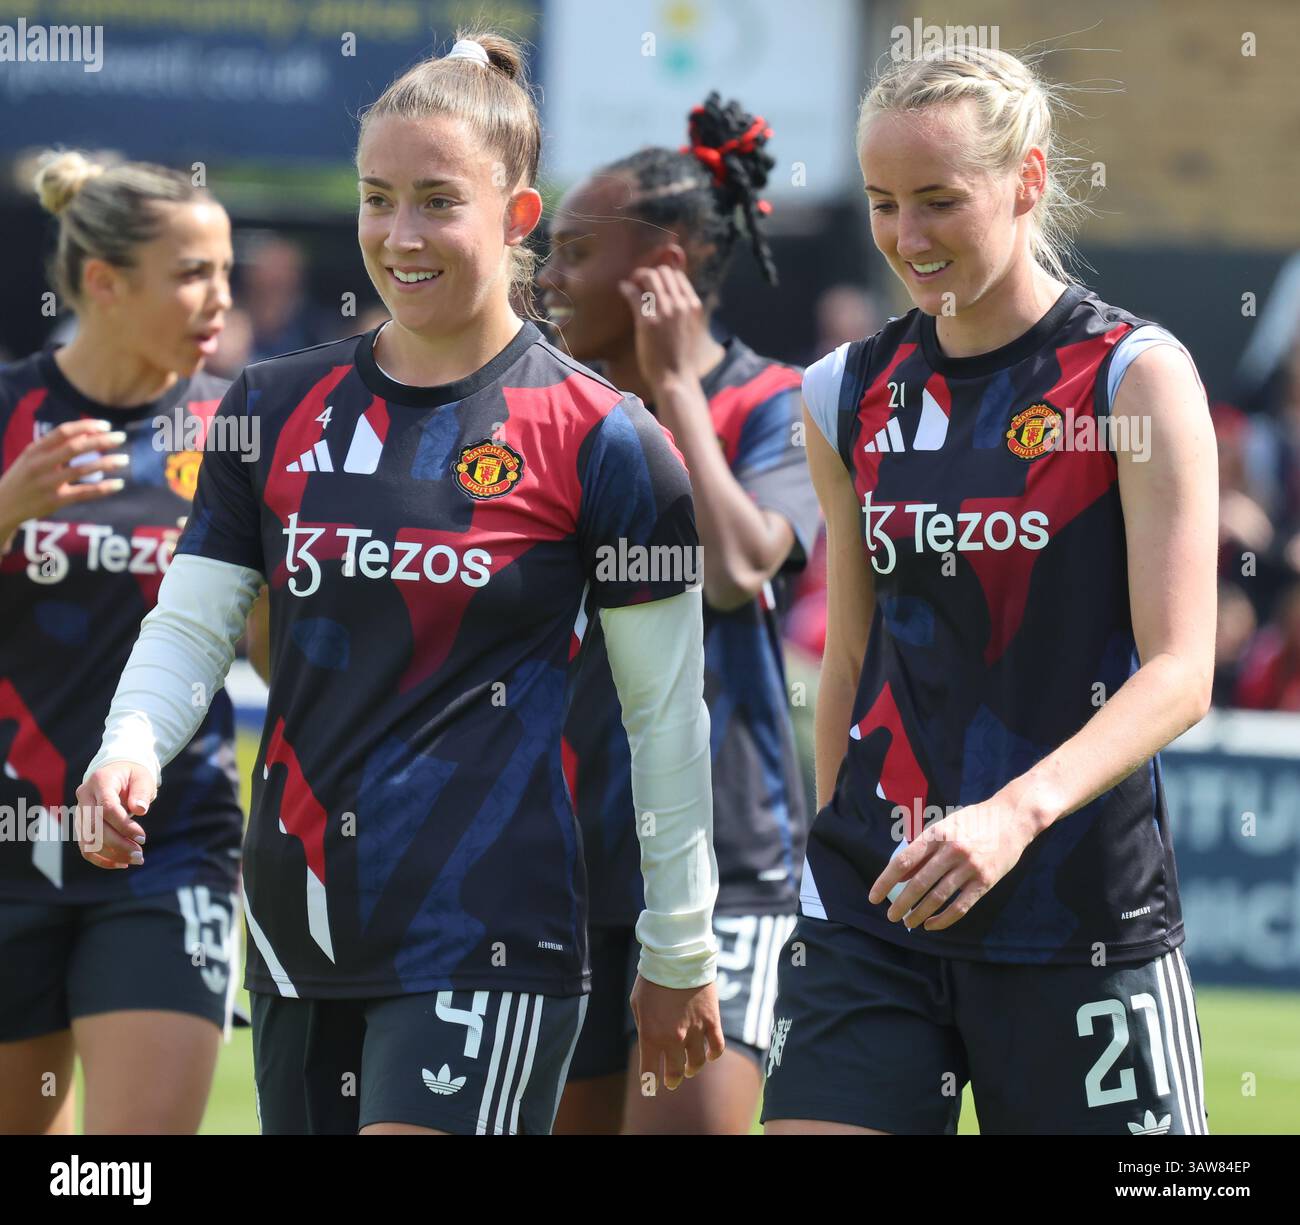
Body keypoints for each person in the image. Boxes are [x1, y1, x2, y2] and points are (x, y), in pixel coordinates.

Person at [76, 30, 722, 1136]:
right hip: (295, 923)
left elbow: (665, 717)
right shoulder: (269, 408)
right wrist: (127, 745)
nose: (400, 234)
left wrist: (679, 945)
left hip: (491, 928)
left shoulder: (611, 440)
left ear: (519, 217)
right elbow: (191, 626)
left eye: (436, 200)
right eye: (379, 199)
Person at [762, 44, 1216, 1136]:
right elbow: (853, 656)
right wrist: (843, 847)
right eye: (881, 204)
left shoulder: (1132, 375)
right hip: (876, 910)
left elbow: (1180, 670)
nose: (907, 238)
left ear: (1026, 181)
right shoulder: (844, 390)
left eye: (937, 201)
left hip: (1076, 914)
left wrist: (1014, 814)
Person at [541, 93, 820, 1135]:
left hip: (718, 864)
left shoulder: (777, 401)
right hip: (555, 861)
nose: (551, 276)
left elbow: (739, 570)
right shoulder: (541, 416)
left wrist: (675, 393)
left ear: (664, 261)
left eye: (574, 250)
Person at [0, 150, 253, 1134]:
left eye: (226, 272)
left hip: (167, 844)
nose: (218, 301)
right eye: (192, 273)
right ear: (103, 283)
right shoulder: (11, 412)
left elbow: (274, 647)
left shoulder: (236, 427)